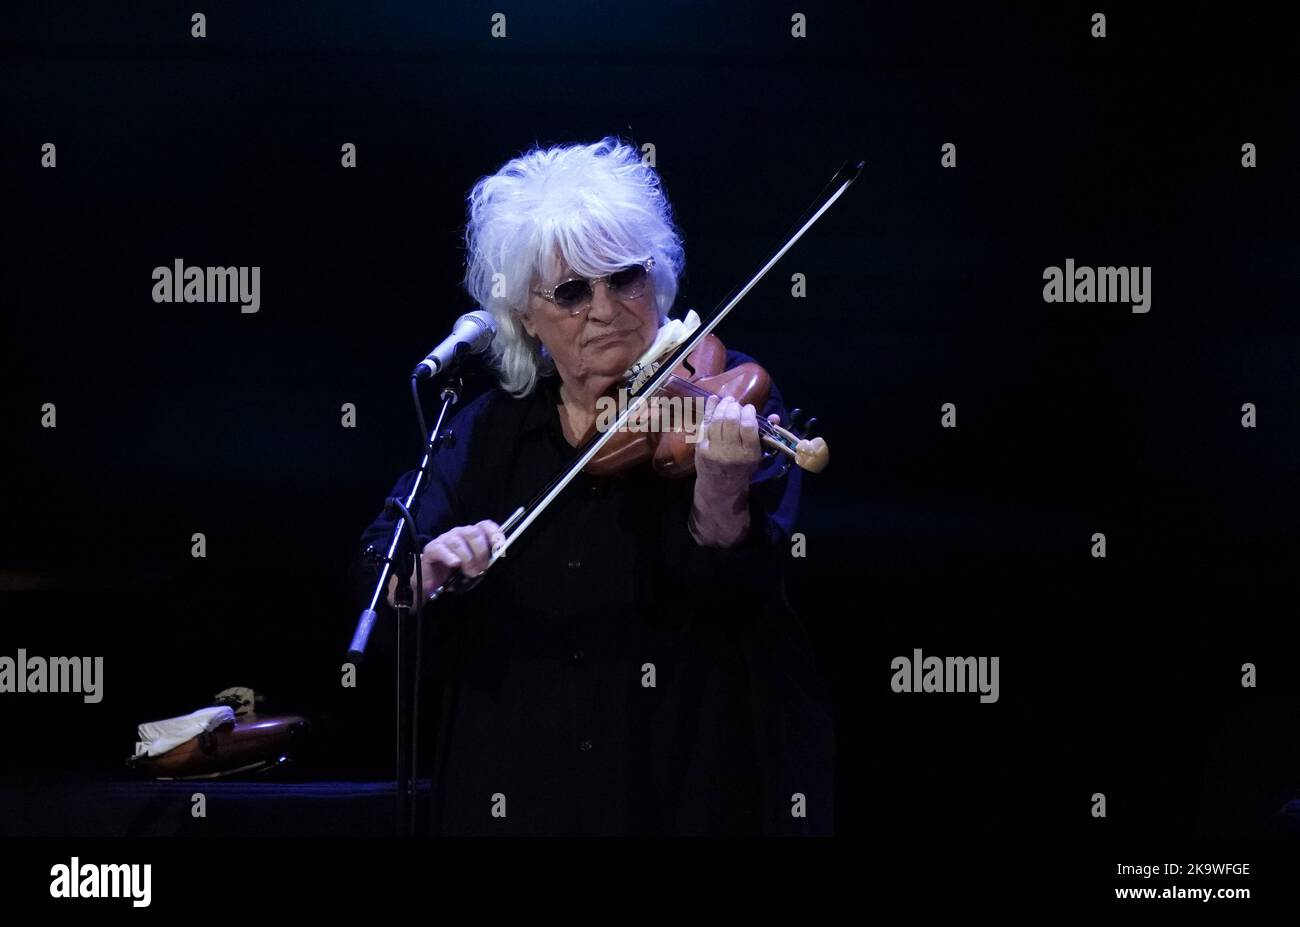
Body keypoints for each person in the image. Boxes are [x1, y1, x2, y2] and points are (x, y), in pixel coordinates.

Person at [351, 137, 834, 835]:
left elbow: (737, 591)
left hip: (686, 788)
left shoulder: (724, 395)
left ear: (655, 281)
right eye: (573, 291)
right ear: (525, 316)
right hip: (522, 796)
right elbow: (382, 559)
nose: (605, 308)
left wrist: (720, 490)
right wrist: (422, 572)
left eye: (624, 278)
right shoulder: (488, 429)